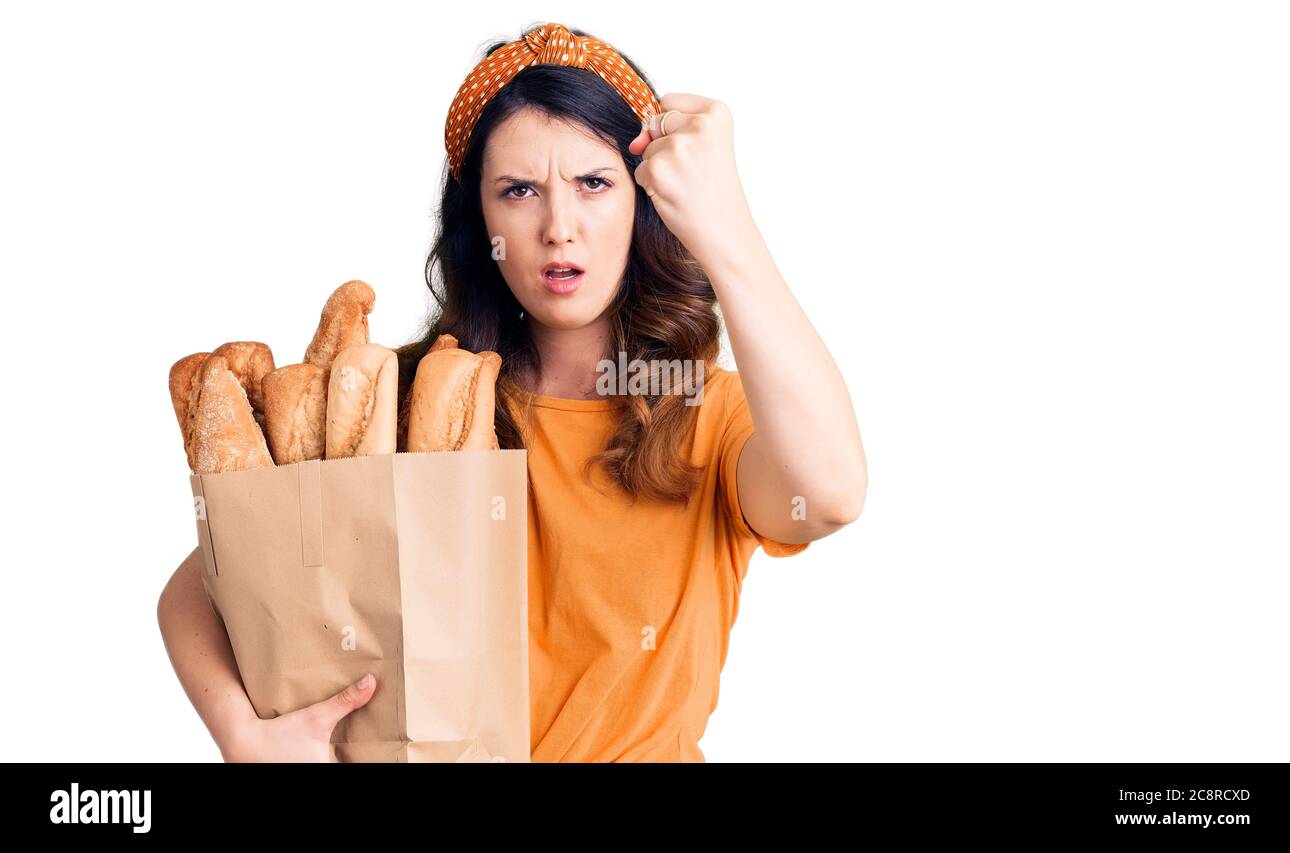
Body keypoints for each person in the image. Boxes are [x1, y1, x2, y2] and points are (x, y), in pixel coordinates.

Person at [158, 21, 867, 762]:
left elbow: (829, 495)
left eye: (594, 183)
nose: (559, 228)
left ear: (643, 203)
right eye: (519, 191)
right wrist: (246, 734)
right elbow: (207, 582)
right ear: (481, 223)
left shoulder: (704, 412)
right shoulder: (393, 405)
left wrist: (729, 230)